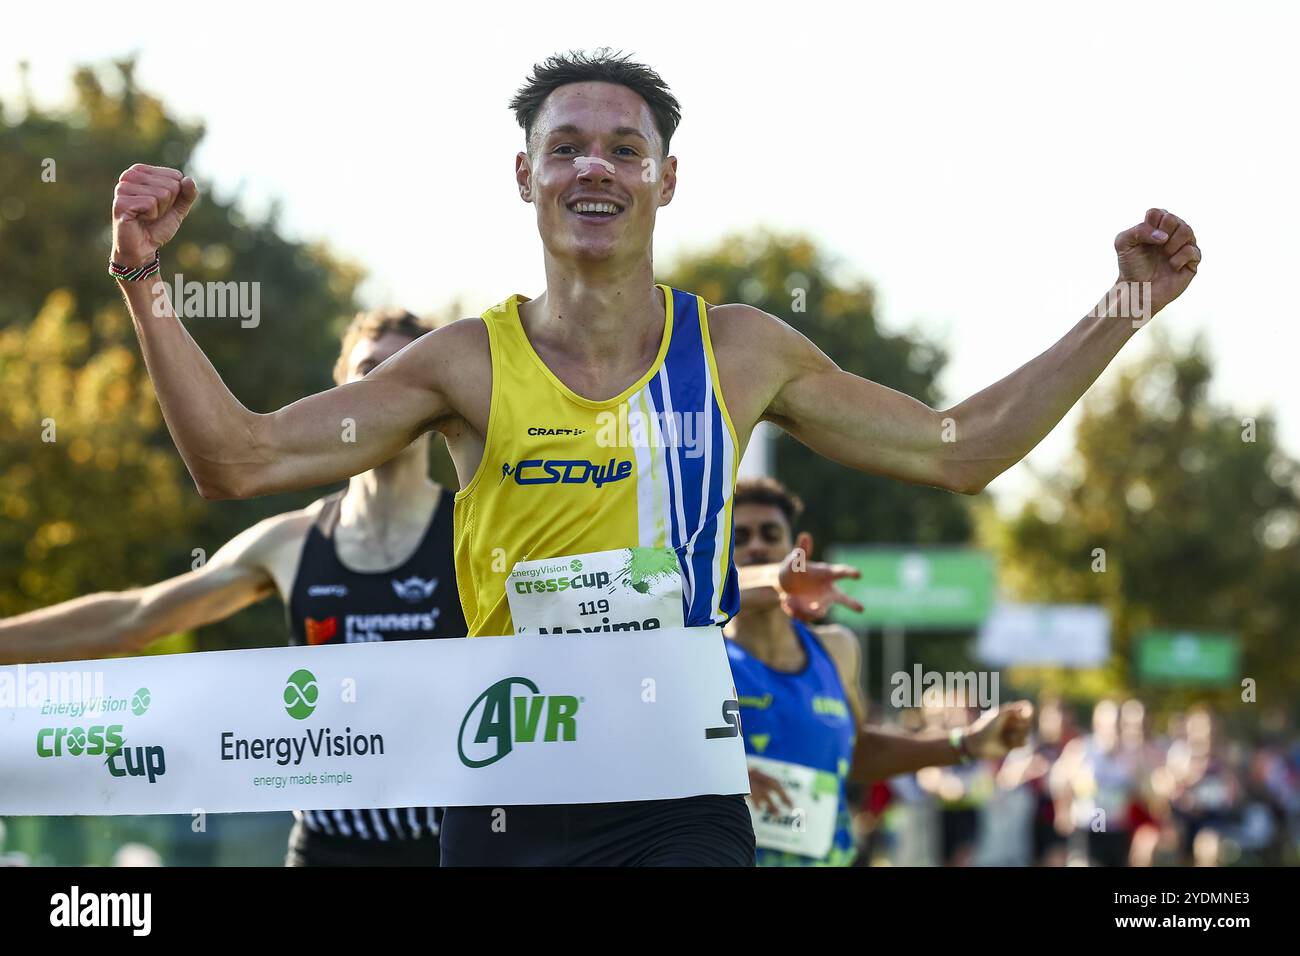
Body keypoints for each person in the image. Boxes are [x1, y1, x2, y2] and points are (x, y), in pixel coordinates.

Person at [103, 50, 1200, 865]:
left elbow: (961, 451)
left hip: (677, 784)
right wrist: (145, 280)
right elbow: (237, 460)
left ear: (667, 179)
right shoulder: (464, 366)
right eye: (566, 146)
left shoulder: (737, 352)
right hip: (509, 785)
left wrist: (1125, 305)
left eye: (626, 149)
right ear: (523, 174)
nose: (596, 166)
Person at [0, 310, 465, 866]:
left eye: (402, 368)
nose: (382, 385)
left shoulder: (474, 534)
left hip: (446, 849)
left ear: (437, 399)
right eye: (368, 369)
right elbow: (133, 618)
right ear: (339, 389)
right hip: (324, 851)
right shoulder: (291, 543)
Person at [726, 477, 1032, 866]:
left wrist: (966, 743)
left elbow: (859, 751)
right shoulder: (699, 654)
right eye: (740, 538)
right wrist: (725, 776)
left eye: (770, 535)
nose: (756, 547)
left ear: (798, 548)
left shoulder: (835, 649)